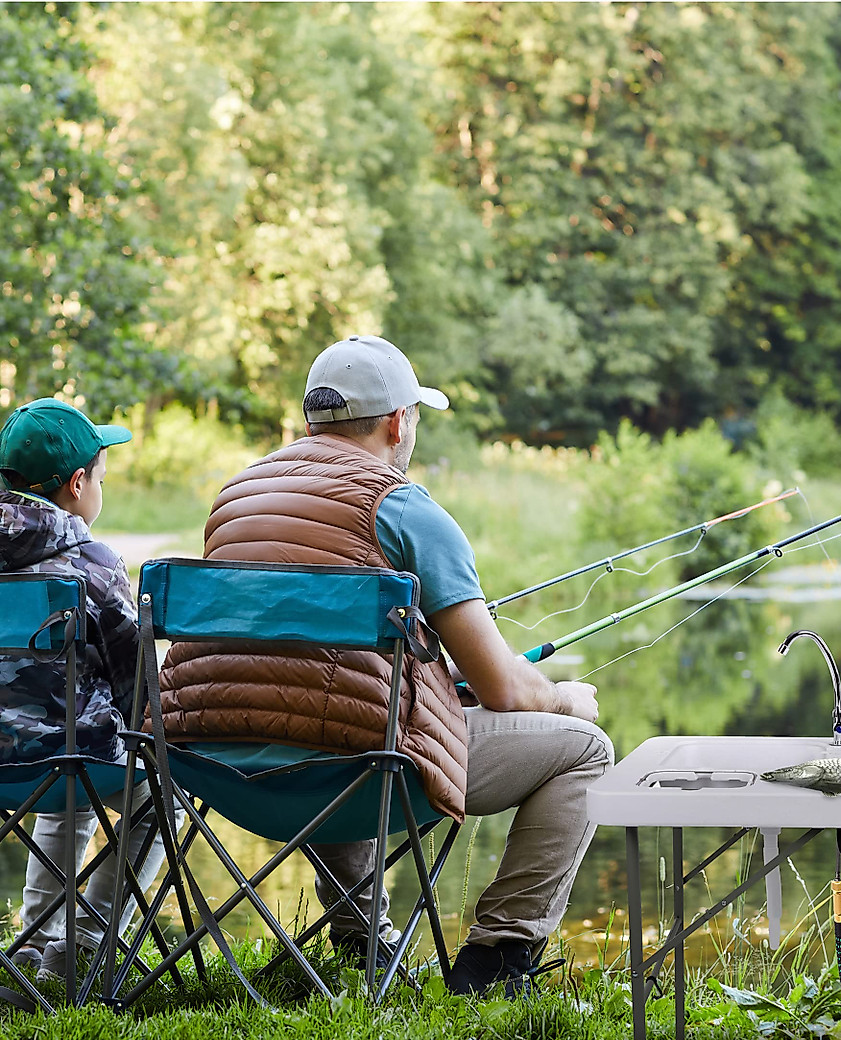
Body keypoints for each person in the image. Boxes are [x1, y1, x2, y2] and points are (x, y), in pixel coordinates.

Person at [155, 335, 613, 995]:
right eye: (416, 417)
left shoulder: (236, 496)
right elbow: (504, 688)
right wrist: (567, 698)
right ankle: (497, 960)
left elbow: (282, 658)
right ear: (399, 421)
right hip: (361, 777)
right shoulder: (403, 507)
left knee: (324, 706)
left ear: (314, 420)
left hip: (220, 771)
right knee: (585, 752)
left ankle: (359, 936)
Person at [0, 398, 179, 982]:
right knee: (154, 787)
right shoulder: (90, 563)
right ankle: (81, 951)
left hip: (10, 766)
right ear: (78, 484)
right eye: (101, 477)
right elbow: (138, 692)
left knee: (68, 764)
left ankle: (30, 944)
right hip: (65, 759)